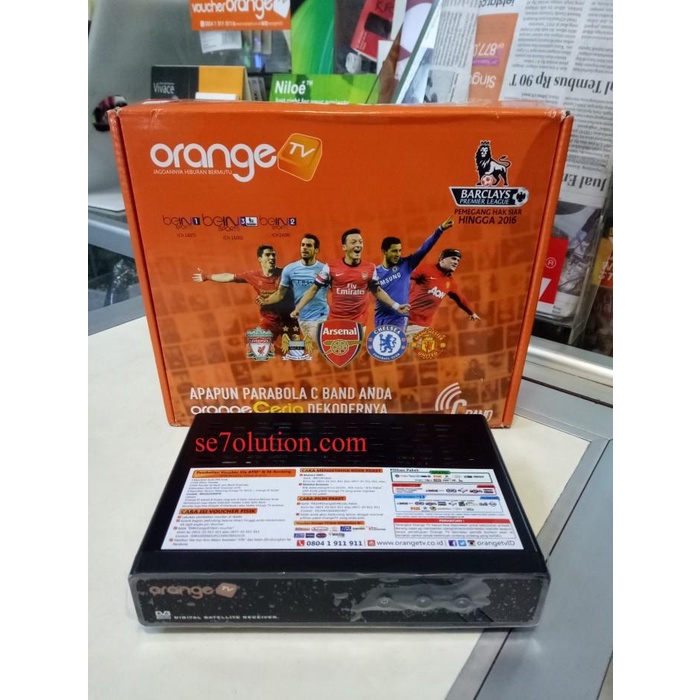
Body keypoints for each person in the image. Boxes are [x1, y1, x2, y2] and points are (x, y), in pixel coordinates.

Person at [291, 228, 409, 327]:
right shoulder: (330, 267)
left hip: (359, 323)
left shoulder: (370, 268)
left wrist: (396, 306)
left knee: (356, 348)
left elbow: (377, 291)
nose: (358, 245)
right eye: (353, 242)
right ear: (344, 247)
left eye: (360, 242)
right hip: (336, 321)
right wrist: (298, 309)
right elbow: (313, 289)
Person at [192, 245, 294, 340]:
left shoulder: (286, 274)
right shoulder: (253, 276)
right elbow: (229, 277)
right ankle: (275, 349)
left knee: (295, 349)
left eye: (273, 255)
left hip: (290, 320)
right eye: (268, 255)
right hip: (270, 321)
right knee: (260, 345)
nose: (272, 258)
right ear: (260, 259)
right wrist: (207, 276)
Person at [375, 216, 454, 329]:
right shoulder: (375, 272)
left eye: (399, 250)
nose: (398, 254)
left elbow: (424, 249)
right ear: (384, 251)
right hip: (380, 319)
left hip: (399, 317)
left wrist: (440, 230)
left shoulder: (406, 265)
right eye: (394, 251)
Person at [256, 234, 328, 342]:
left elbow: (335, 290)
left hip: (320, 316)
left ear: (316, 250)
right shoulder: (289, 269)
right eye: (302, 245)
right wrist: (265, 301)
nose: (304, 248)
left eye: (308, 245)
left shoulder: (325, 269)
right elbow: (280, 294)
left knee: (320, 344)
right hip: (301, 319)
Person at [406, 248, 481, 340]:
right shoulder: (426, 269)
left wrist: (471, 312)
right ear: (442, 259)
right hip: (406, 319)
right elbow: (406, 277)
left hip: (422, 326)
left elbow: (460, 299)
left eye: (458, 260)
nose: (456, 262)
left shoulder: (450, 282)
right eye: (453, 258)